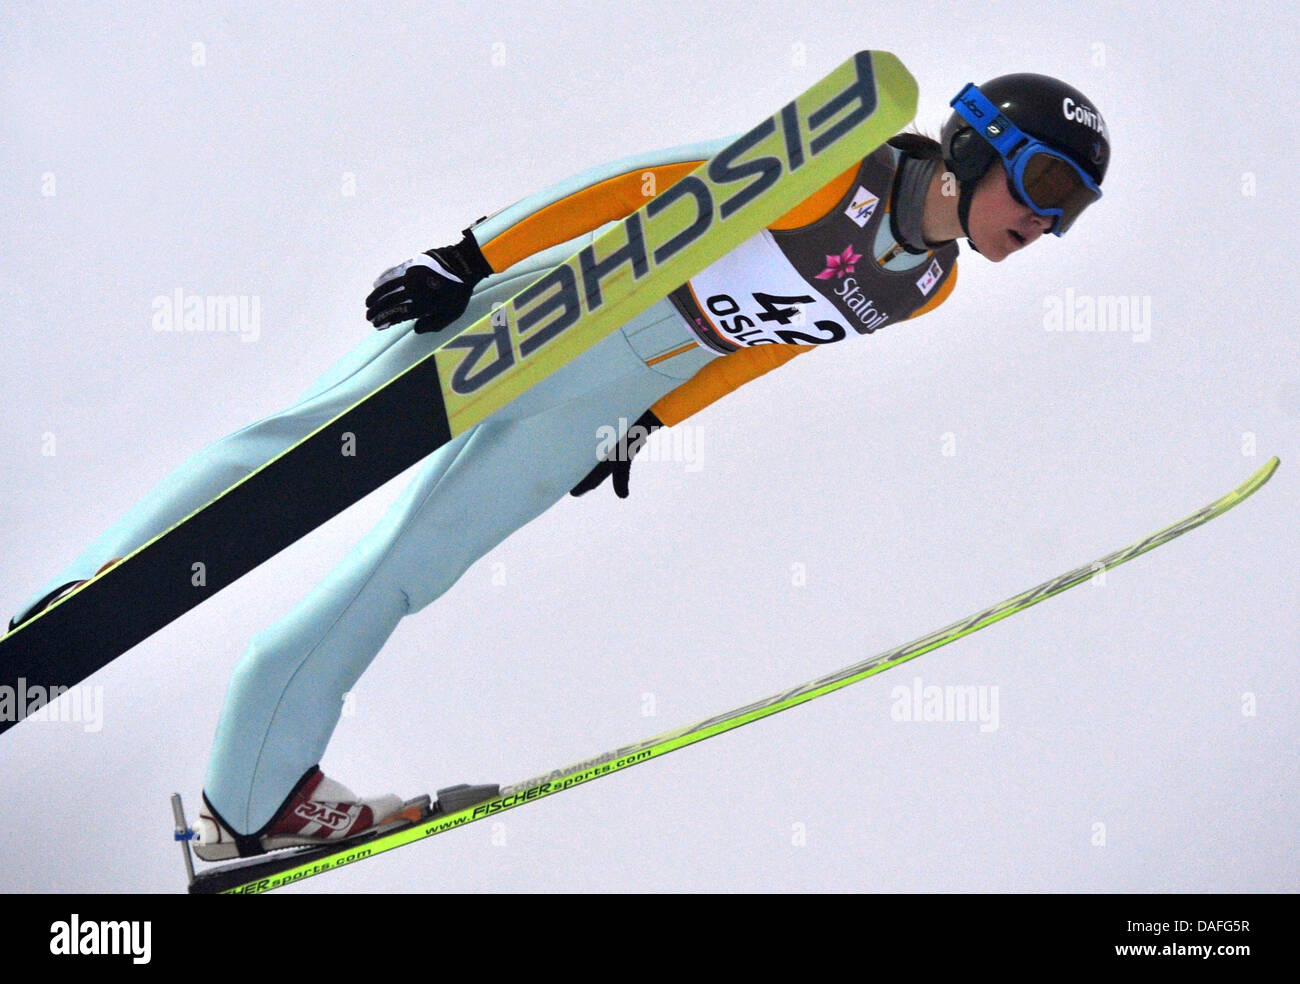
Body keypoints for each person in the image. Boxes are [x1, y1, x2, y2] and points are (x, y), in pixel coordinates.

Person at [10, 72, 1110, 860]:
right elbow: (647, 185)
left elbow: (771, 345)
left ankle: (251, 796)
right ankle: (91, 592)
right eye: (1047, 186)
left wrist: (652, 419)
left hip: (619, 385)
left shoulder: (928, 289)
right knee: (305, 436)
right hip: (557, 308)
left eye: (1074, 212)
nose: (1048, 226)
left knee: (411, 569)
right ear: (977, 145)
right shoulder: (843, 165)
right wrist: (474, 253)